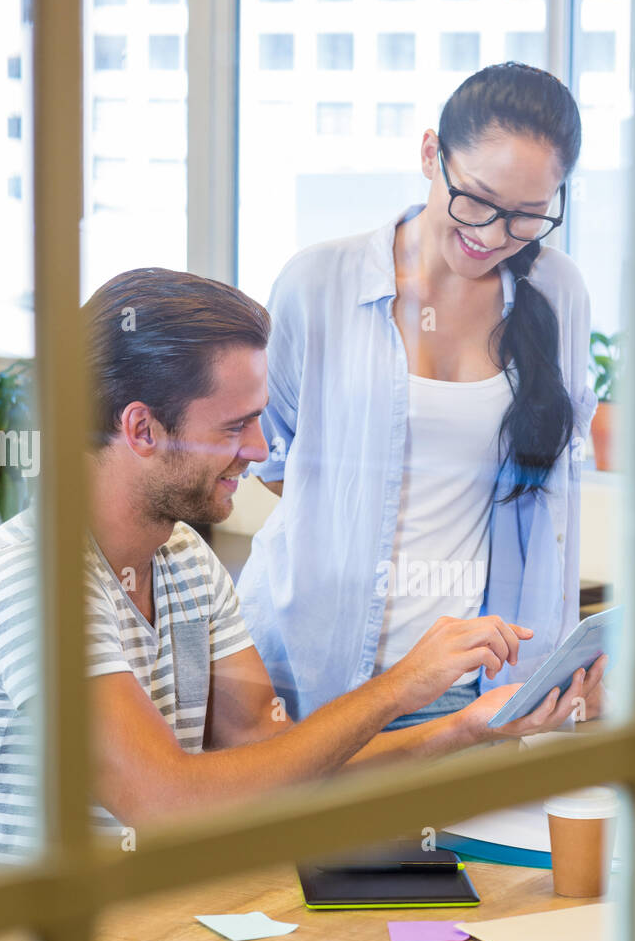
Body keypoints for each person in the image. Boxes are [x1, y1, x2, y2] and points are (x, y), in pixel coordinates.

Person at [0, 268, 604, 864]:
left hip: (169, 914)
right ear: (142, 429)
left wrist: (466, 726)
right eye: (235, 426)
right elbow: (164, 803)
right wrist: (400, 687)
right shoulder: (37, 579)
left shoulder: (185, 559)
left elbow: (281, 763)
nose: (261, 449)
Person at [238, 61, 601, 728]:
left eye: (526, 217)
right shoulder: (319, 284)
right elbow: (268, 454)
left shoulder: (559, 292)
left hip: (458, 680)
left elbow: (554, 496)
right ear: (432, 154)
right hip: (304, 660)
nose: (492, 235)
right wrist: (355, 529)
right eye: (478, 200)